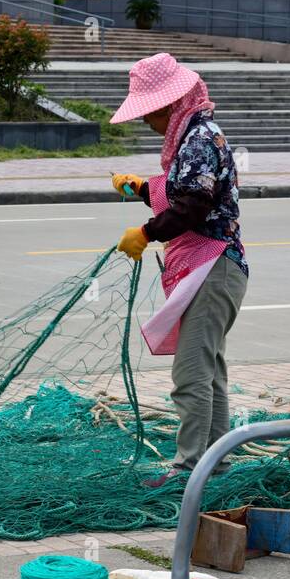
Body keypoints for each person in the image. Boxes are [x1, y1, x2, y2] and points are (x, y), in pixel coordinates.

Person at [110, 52, 248, 489]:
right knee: (210, 373)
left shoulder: (200, 138)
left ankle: (189, 469)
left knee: (191, 375)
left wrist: (147, 233)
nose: (145, 122)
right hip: (210, 266)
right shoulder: (193, 135)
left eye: (148, 113)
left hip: (214, 265)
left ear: (168, 104)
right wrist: (140, 188)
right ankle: (217, 464)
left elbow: (192, 205)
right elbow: (179, 191)